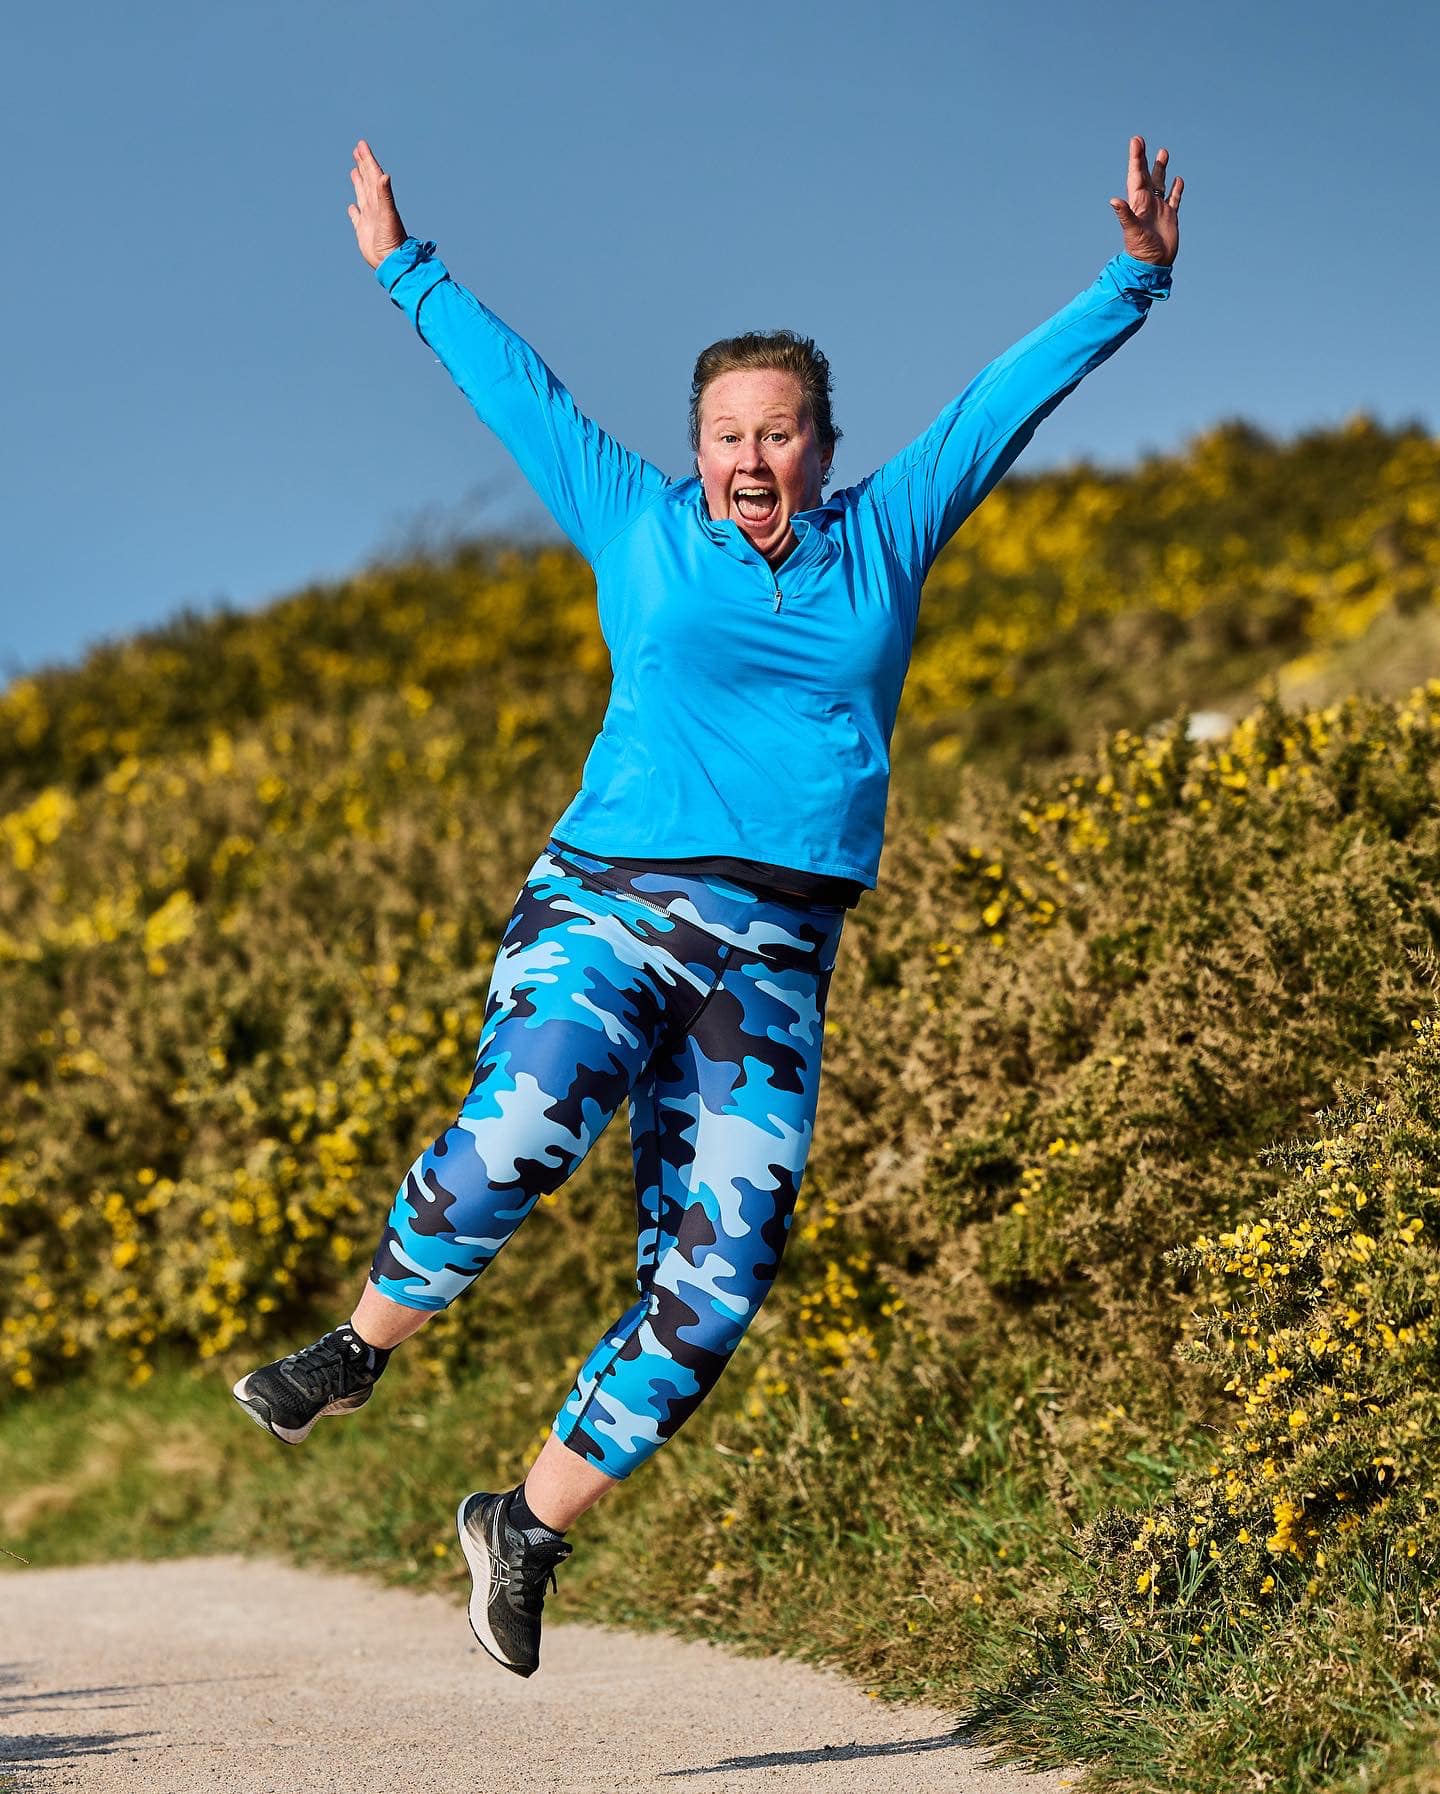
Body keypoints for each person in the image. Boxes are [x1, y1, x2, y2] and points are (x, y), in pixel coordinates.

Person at [233, 133, 1183, 1678]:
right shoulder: (641, 524)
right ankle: (355, 1350)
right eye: (728, 432)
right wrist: (406, 267)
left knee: (719, 1277)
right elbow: (522, 394)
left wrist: (1131, 279)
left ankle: (525, 1525)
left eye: (780, 432)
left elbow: (1001, 402)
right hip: (610, 906)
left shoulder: (886, 535)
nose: (752, 456)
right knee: (531, 1117)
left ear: (823, 444)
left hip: (776, 960)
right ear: (696, 446)